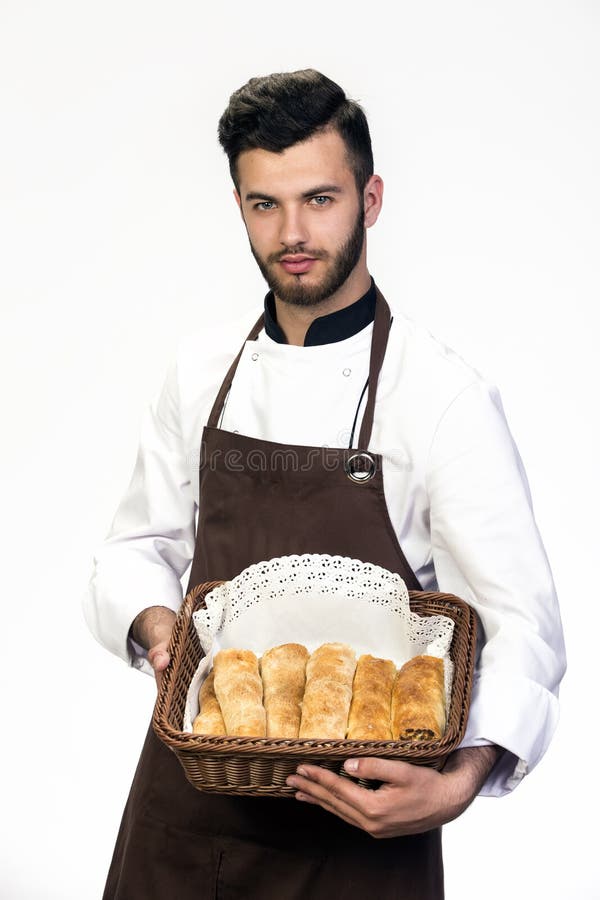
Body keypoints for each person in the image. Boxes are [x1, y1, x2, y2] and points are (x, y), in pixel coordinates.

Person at [84, 69, 566, 900]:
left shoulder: (441, 397)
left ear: (370, 199)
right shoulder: (200, 374)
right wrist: (160, 628)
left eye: (320, 198)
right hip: (189, 812)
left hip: (361, 832)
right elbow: (135, 546)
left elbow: (523, 623)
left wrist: (456, 782)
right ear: (238, 206)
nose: (293, 231)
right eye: (264, 204)